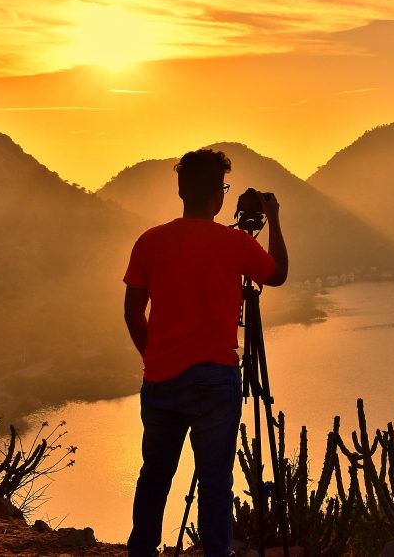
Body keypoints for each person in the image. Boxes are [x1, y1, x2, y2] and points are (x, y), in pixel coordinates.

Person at [123, 149, 288, 557]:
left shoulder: (150, 241)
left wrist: (153, 358)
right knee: (215, 480)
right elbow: (278, 274)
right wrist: (275, 219)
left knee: (155, 476)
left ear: (181, 190)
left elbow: (131, 313)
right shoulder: (233, 243)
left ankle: (140, 551)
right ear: (218, 195)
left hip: (161, 379)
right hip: (215, 379)